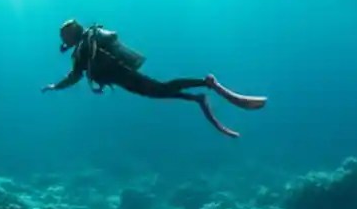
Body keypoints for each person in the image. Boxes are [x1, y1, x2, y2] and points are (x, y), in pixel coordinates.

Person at [41, 19, 266, 138]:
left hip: (125, 76)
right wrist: (56, 86)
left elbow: (74, 76)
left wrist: (54, 87)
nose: (63, 40)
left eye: (64, 36)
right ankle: (197, 97)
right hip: (124, 79)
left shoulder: (84, 49)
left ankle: (206, 83)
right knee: (159, 92)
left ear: (72, 35)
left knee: (161, 89)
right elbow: (76, 75)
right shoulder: (85, 47)